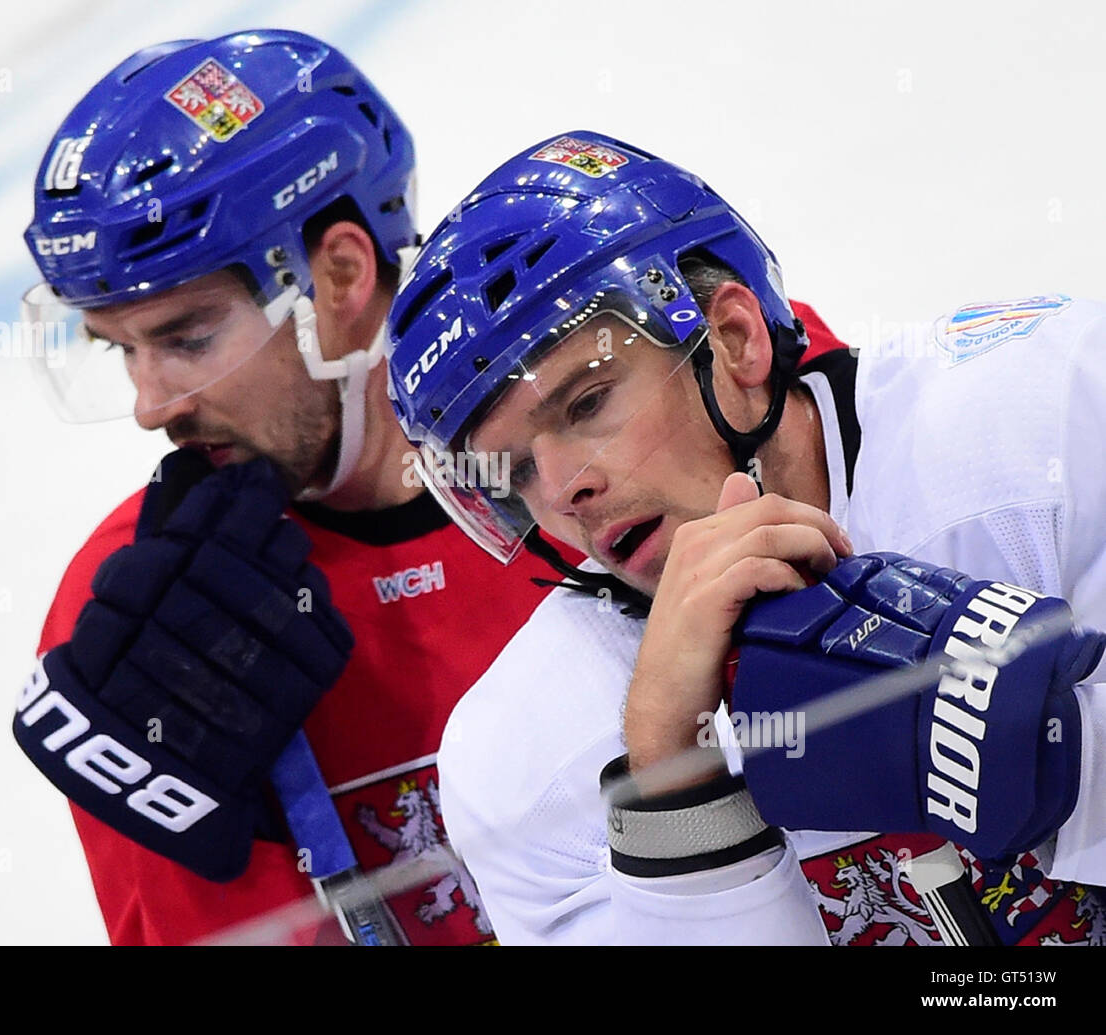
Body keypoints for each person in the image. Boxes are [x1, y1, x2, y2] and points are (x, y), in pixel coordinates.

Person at [385, 130, 1106, 945]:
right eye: (514, 470)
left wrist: (1069, 758)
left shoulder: (1045, 418)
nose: (561, 491)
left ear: (733, 340)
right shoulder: (518, 755)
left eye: (586, 404)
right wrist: (669, 786)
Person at [10, 29, 577, 946]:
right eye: (119, 350)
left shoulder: (610, 449)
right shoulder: (130, 610)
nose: (150, 407)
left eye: (186, 338)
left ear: (341, 274)